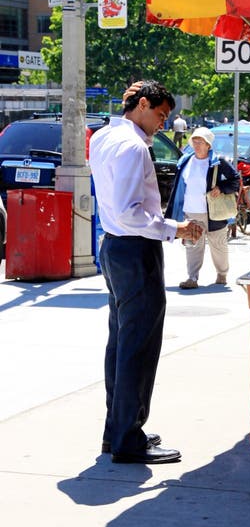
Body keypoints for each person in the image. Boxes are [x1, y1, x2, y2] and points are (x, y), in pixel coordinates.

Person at [89, 80, 202, 465]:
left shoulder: (103, 137)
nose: (162, 123)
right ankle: (127, 437)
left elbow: (119, 212)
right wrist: (176, 228)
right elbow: (130, 213)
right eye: (159, 114)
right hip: (135, 249)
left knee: (121, 342)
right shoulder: (133, 146)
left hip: (116, 248)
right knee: (137, 346)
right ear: (141, 105)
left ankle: (117, 429)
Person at [165, 126, 240, 289]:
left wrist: (221, 188)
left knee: (218, 245)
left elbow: (235, 180)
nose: (197, 145)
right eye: (195, 141)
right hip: (191, 210)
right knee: (192, 245)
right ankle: (192, 277)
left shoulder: (217, 162)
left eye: (201, 142)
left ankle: (222, 274)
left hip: (213, 211)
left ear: (208, 145)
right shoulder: (185, 161)